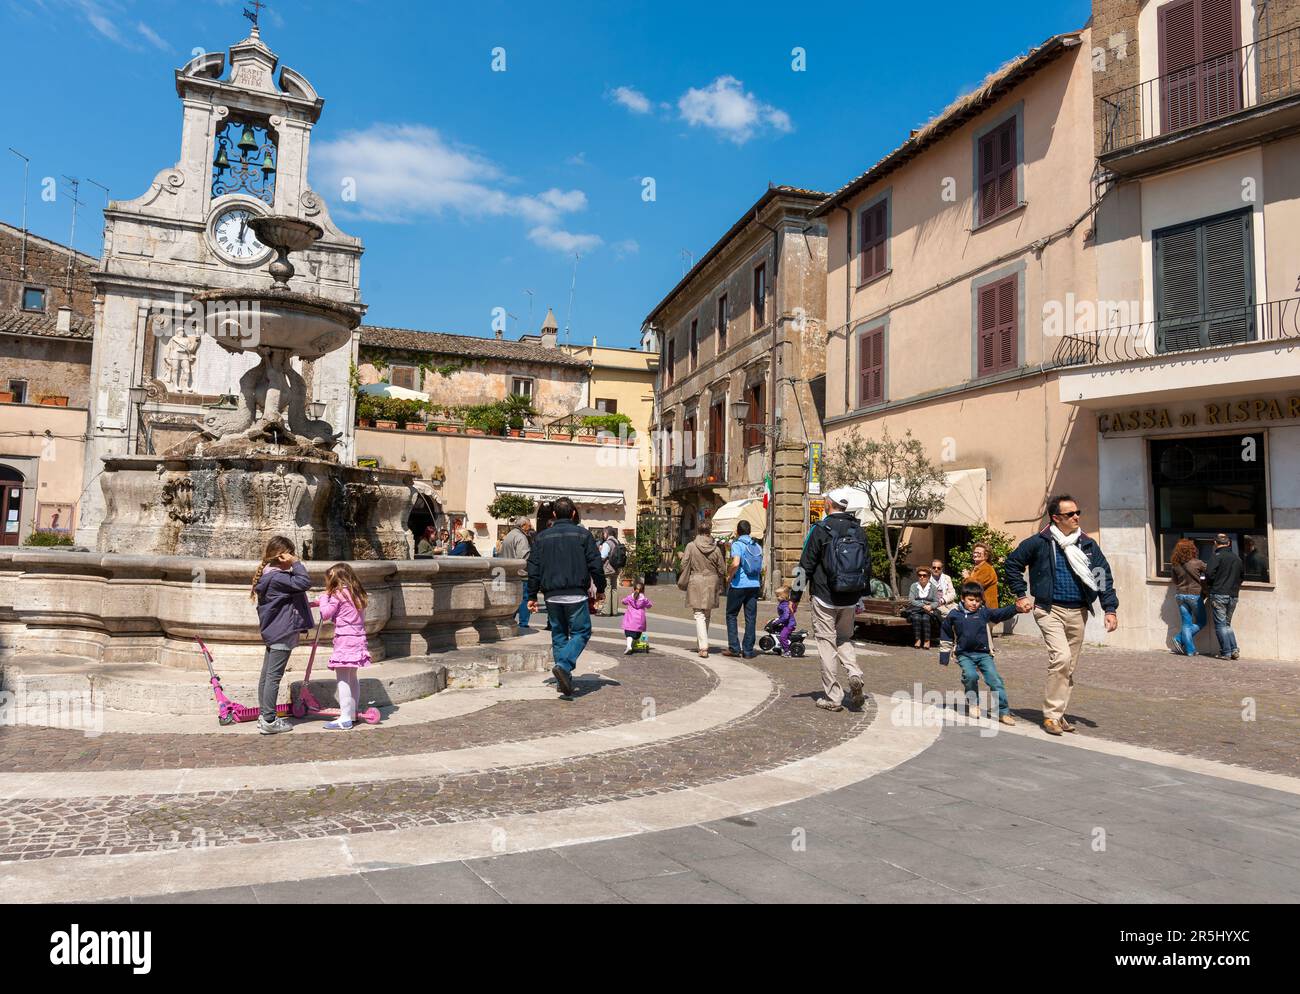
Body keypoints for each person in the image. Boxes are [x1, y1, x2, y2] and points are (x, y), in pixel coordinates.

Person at [1005, 494, 1119, 736]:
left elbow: (1102, 576)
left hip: (1079, 611)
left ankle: (1058, 714)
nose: (1076, 517)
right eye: (1070, 514)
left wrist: (1110, 608)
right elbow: (1012, 564)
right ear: (1056, 518)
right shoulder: (1039, 542)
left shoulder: (1087, 544)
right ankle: (1051, 716)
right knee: (1062, 659)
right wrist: (1020, 594)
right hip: (1049, 610)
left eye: (1078, 513)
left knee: (1069, 666)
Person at [792, 487, 869, 712]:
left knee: (827, 643)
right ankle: (854, 673)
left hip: (825, 596)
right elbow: (867, 566)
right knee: (844, 638)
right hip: (851, 597)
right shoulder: (859, 530)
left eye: (826, 500)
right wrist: (862, 597)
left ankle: (833, 697)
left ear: (829, 504)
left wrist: (794, 597)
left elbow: (804, 565)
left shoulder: (820, 530)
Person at [526, 496, 606, 697]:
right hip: (575, 593)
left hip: (551, 595)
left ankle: (564, 680)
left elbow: (533, 568)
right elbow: (595, 564)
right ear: (573, 514)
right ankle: (564, 665)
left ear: (554, 514)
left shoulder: (542, 537)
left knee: (559, 634)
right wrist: (601, 588)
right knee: (582, 631)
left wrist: (532, 594)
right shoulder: (583, 535)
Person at [250, 536, 314, 735]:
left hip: (273, 631)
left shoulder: (268, 575)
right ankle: (269, 720)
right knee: (273, 678)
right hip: (282, 631)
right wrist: (296, 563)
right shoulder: (278, 578)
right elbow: (304, 582)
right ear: (282, 556)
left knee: (266, 676)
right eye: (291, 553)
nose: (294, 557)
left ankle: (264, 715)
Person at [941, 581, 1025, 725]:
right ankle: (974, 704)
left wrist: (1016, 608)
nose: (974, 603)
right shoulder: (954, 615)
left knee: (995, 681)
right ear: (963, 598)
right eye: (971, 600)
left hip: (984, 654)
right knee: (971, 676)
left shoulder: (983, 612)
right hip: (964, 654)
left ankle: (1003, 712)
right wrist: (944, 656)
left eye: (978, 601)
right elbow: (946, 634)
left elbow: (1000, 613)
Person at [309, 563, 372, 730]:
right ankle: (352, 713)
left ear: (336, 579)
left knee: (342, 679)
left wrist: (323, 599)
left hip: (345, 640)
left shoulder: (338, 593)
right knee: (352, 678)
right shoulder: (357, 593)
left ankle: (344, 718)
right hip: (358, 639)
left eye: (329, 579)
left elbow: (325, 614)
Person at [677, 529, 727, 658]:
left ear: (698, 531)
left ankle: (703, 646)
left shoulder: (691, 546)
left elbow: (683, 565)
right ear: (709, 531)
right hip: (711, 581)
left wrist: (682, 557)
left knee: (699, 614)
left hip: (696, 581)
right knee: (707, 613)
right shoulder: (715, 548)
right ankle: (701, 644)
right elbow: (722, 569)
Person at [724, 520, 763, 658]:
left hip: (739, 585)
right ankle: (748, 650)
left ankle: (734, 648)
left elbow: (735, 563)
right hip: (754, 585)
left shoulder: (737, 544)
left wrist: (729, 575)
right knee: (750, 618)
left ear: (738, 531)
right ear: (749, 530)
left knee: (731, 615)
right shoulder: (757, 546)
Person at [1204, 533, 1243, 660]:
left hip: (1219, 593)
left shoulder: (1216, 556)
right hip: (1233, 595)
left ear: (1215, 543)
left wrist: (1211, 585)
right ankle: (1233, 649)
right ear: (1229, 543)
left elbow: (1209, 574)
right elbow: (1242, 576)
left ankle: (1226, 651)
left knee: (1220, 625)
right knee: (1227, 624)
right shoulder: (1237, 558)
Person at [1169, 538, 1208, 657]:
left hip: (1180, 595)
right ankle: (1178, 638)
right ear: (1192, 550)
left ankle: (1190, 650)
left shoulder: (1175, 565)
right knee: (1202, 621)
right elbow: (1210, 572)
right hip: (1194, 595)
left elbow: (1175, 581)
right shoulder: (1198, 563)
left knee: (1186, 623)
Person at [499, 516, 534, 628]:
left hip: (508, 572)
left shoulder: (509, 535)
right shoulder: (521, 537)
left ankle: (509, 620)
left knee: (512, 599)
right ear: (523, 525)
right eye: (529, 526)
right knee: (524, 598)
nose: (530, 528)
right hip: (520, 573)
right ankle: (523, 624)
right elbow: (524, 556)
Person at [905, 567, 941, 649]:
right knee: (916, 617)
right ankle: (917, 640)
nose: (922, 577)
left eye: (924, 575)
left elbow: (936, 602)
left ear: (928, 576)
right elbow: (911, 600)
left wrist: (930, 606)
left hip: (928, 611)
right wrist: (923, 605)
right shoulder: (914, 586)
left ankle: (927, 640)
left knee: (925, 618)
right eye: (920, 575)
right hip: (916, 610)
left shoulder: (933, 587)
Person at [964, 542, 999, 609]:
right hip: (978, 607)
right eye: (974, 552)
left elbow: (976, 586)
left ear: (986, 556)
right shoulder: (977, 568)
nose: (975, 554)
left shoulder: (987, 569)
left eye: (978, 553)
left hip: (986, 609)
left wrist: (967, 577)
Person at [621, 581, 653, 654]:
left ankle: (629, 646)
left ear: (633, 589)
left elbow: (623, 601)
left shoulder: (629, 597)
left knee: (629, 634)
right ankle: (633, 644)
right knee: (636, 635)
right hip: (639, 621)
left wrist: (625, 601)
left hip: (630, 621)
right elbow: (650, 605)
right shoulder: (644, 599)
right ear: (643, 590)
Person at [598, 527, 622, 617]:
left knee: (607, 588)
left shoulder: (607, 543)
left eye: (604, 533)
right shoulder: (617, 542)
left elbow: (602, 557)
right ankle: (614, 610)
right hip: (616, 568)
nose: (603, 535)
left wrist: (599, 551)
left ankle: (606, 611)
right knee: (614, 588)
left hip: (608, 568)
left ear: (607, 533)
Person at [773, 584, 797, 655]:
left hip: (789, 624)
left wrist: (778, 622)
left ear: (785, 596)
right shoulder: (783, 603)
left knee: (782, 636)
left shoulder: (785, 605)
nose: (777, 597)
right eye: (776, 596)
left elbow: (785, 616)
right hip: (786, 623)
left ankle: (787, 651)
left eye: (778, 596)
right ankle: (780, 647)